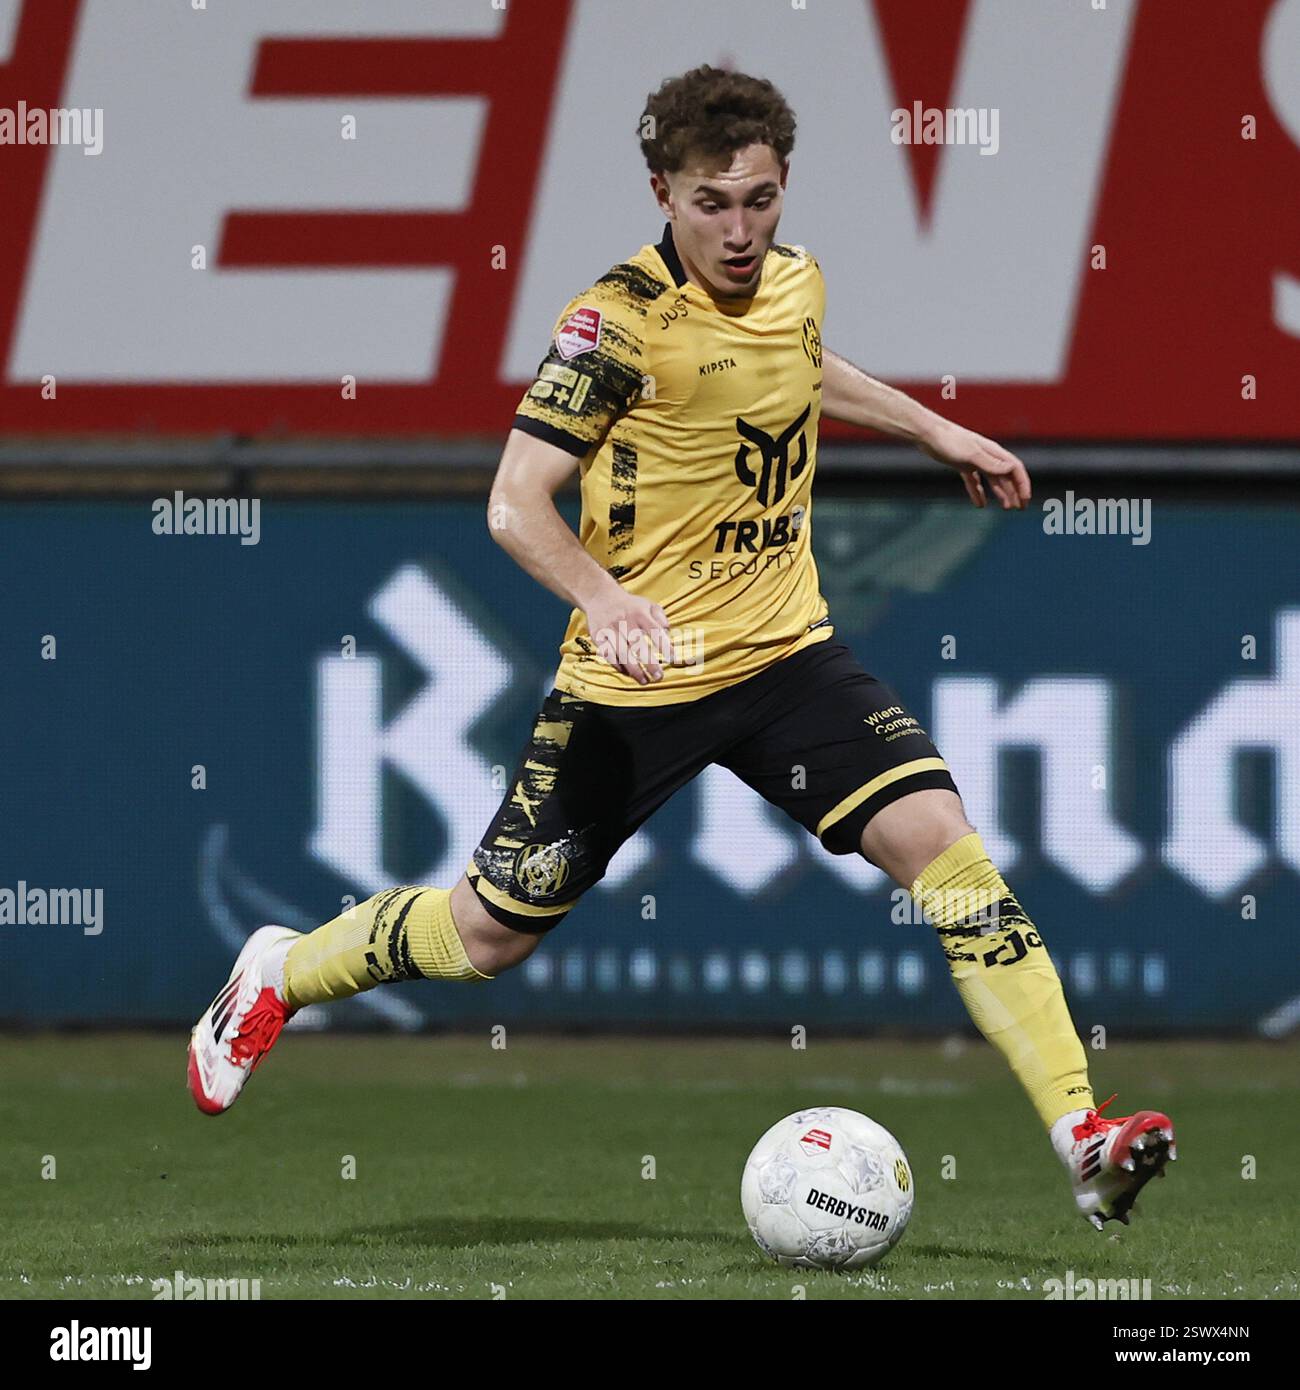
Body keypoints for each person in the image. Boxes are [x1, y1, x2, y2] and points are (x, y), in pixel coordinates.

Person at [188, 65, 1174, 1229]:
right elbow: (512, 503)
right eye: (712, 203)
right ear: (661, 190)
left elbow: (796, 368)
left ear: (784, 184)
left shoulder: (797, 283)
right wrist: (603, 597)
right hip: (633, 684)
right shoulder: (614, 327)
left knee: (949, 851)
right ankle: (281, 971)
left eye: (759, 199)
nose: (741, 230)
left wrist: (931, 426)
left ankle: (1080, 1139)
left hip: (784, 658)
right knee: (488, 933)